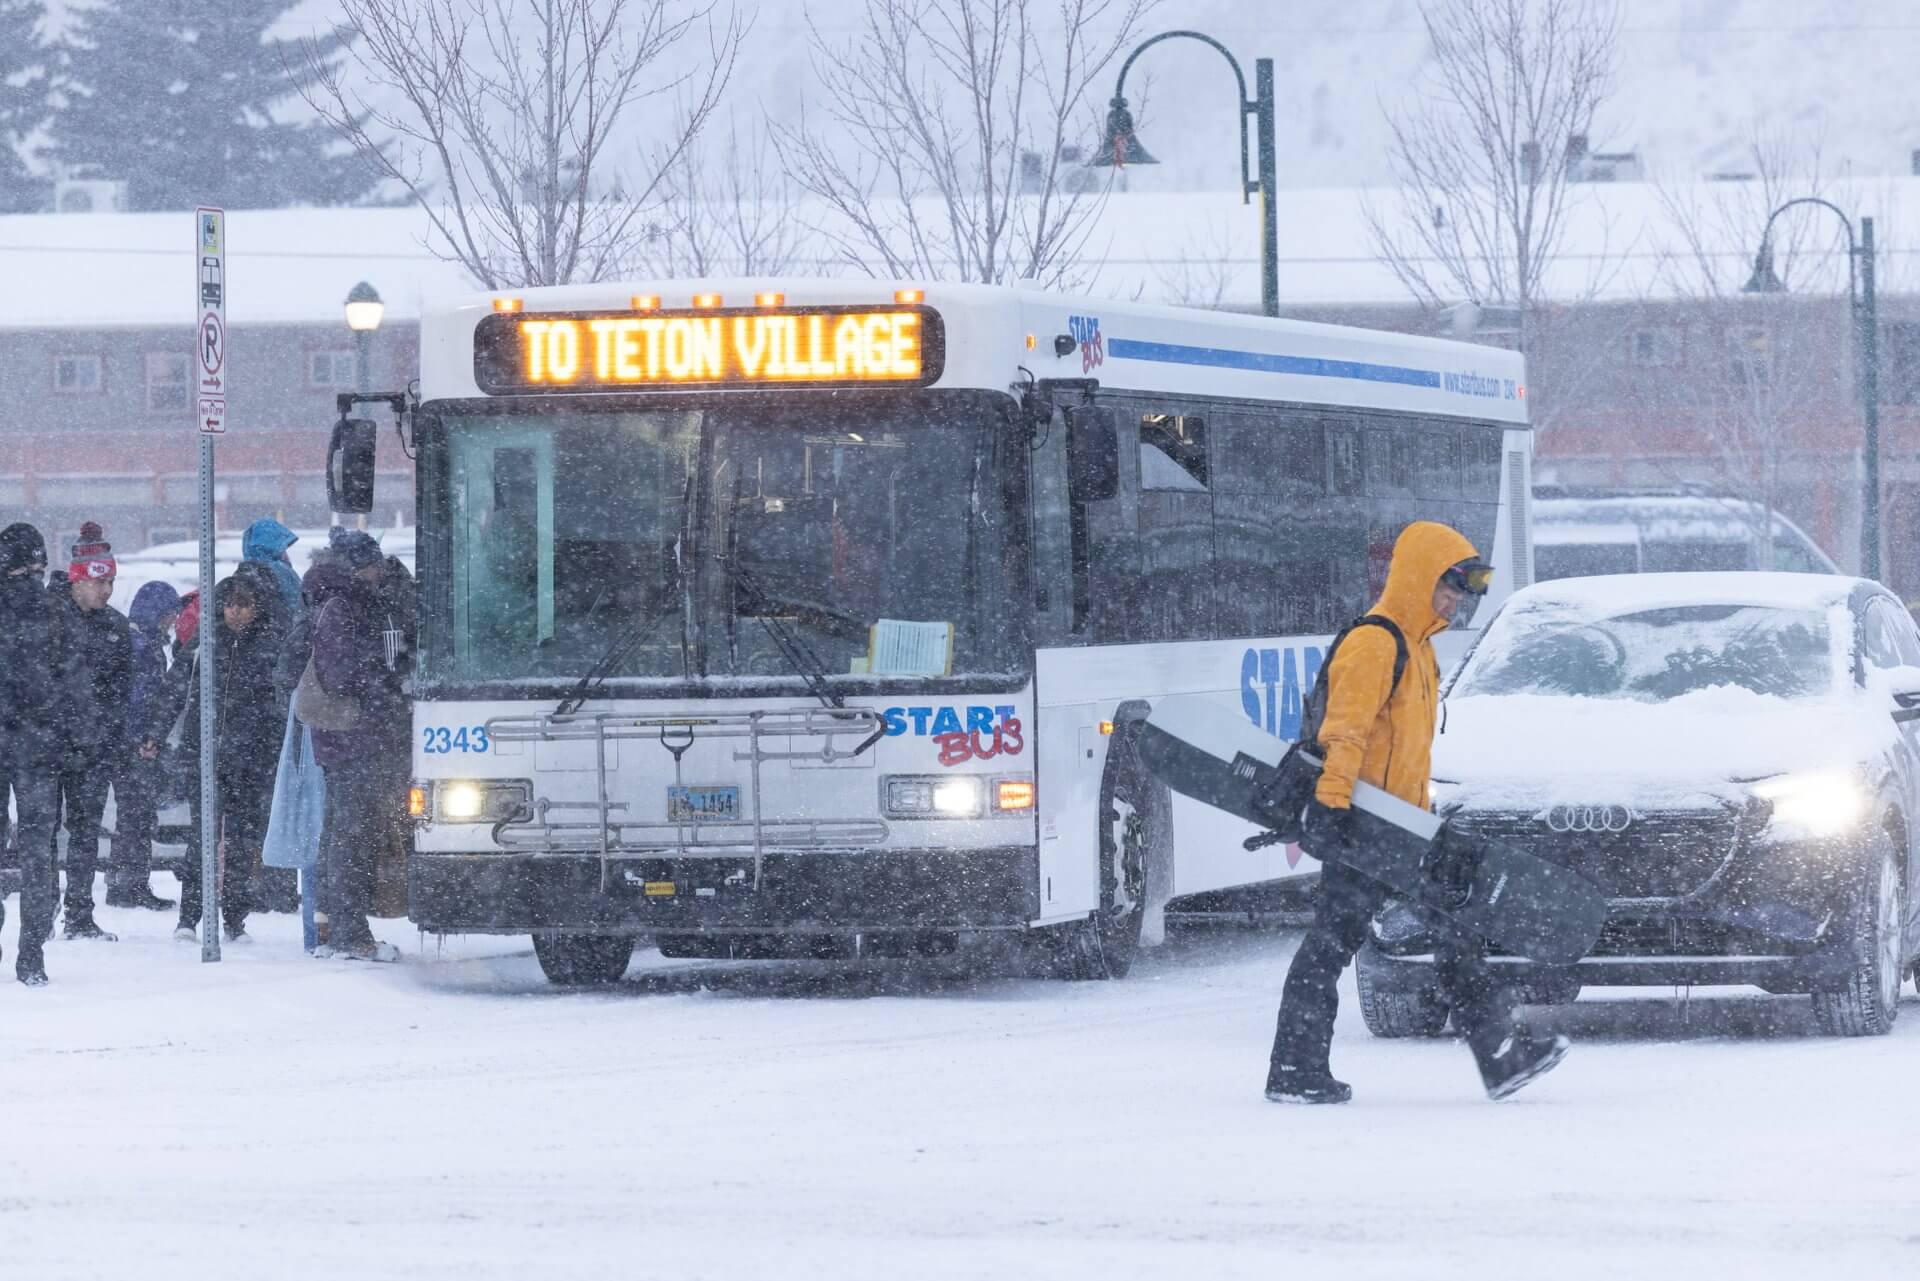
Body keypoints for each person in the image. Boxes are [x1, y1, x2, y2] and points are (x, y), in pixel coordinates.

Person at [1267, 521, 1570, 1105]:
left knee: (1447, 932)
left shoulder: (1419, 649)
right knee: (1336, 945)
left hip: (1403, 827)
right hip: (1363, 824)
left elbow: (1404, 753)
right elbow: (1344, 734)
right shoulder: (1375, 643)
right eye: (1448, 589)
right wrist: (1331, 808)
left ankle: (1497, 1057)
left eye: (1462, 594)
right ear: (1418, 579)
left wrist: (1425, 819)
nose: (1455, 602)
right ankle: (1295, 1070)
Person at [308, 530, 408, 962]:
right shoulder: (343, 608)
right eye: (373, 563)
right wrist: (389, 688)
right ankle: (350, 933)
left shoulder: (350, 603)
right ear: (358, 567)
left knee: (345, 833)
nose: (379, 570)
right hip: (354, 739)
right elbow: (340, 675)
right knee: (352, 835)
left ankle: (334, 926)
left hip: (356, 738)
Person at [175, 574, 287, 944]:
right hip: (205, 756)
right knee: (201, 838)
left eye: (244, 605)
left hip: (249, 760)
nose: (235, 612)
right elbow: (176, 686)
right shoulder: (205, 643)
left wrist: (268, 748)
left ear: (257, 609)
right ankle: (189, 916)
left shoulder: (270, 646)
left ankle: (235, 919)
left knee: (240, 842)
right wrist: (155, 733)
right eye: (230, 604)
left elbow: (277, 707)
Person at [0, 523, 80, 985]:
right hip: (40, 748)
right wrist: (77, 739)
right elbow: (75, 684)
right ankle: (31, 953)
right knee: (37, 852)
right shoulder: (55, 610)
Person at [49, 523, 133, 939]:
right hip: (45, 745)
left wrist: (106, 738)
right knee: (42, 832)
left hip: (93, 747)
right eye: (100, 582)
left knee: (85, 832)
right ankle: (42, 908)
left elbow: (122, 692)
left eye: (112, 582)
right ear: (77, 581)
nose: (107, 591)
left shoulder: (116, 627)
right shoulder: (47, 617)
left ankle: (79, 913)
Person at [109, 580, 183, 910]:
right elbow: (138, 700)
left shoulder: (137, 642)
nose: (172, 622)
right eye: (168, 616)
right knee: (136, 815)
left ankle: (124, 882)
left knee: (133, 815)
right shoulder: (142, 648)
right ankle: (131, 885)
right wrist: (143, 739)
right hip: (132, 745)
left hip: (125, 741)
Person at [242, 517, 303, 619]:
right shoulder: (280, 570)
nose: (286, 552)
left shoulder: (246, 570)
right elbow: (299, 606)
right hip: (285, 630)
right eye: (283, 548)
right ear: (271, 546)